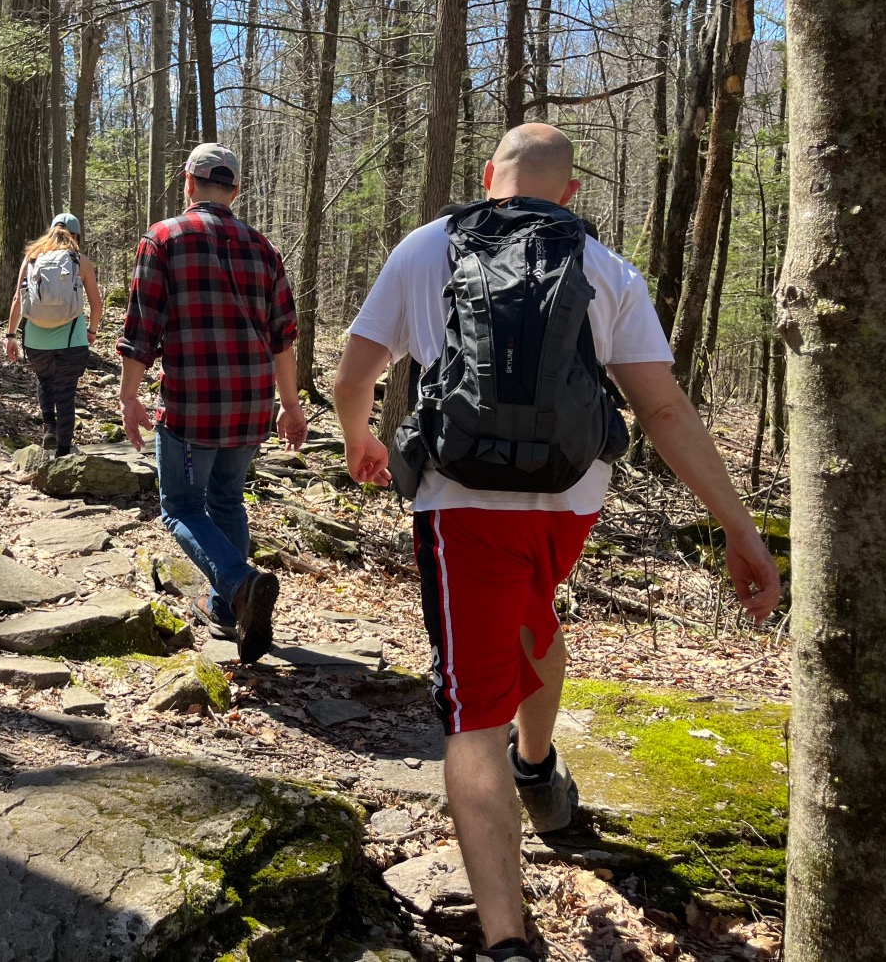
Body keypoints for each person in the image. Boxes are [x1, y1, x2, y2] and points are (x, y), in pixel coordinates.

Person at [333, 124, 781, 962]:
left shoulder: (424, 248)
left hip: (462, 501)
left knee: (472, 715)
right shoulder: (606, 268)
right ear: (569, 193)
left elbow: (353, 376)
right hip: (569, 501)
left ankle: (507, 942)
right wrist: (739, 528)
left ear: (487, 176)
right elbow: (664, 410)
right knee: (534, 612)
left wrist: (360, 438)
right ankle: (536, 765)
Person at [118, 143, 307, 664]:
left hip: (192, 405)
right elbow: (284, 337)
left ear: (188, 183)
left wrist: (129, 395)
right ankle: (227, 610)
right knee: (226, 500)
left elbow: (142, 329)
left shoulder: (162, 239)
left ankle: (240, 584)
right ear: (236, 191)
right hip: (250, 405)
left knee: (180, 507)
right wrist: (290, 405)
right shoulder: (263, 248)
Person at [5, 212, 103, 457]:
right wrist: (91, 331)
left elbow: (18, 299)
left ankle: (49, 427)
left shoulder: (32, 258)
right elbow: (97, 305)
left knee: (45, 380)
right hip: (72, 338)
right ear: (76, 236)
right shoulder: (81, 261)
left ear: (50, 232)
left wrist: (10, 335)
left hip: (36, 340)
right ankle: (64, 453)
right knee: (66, 392)